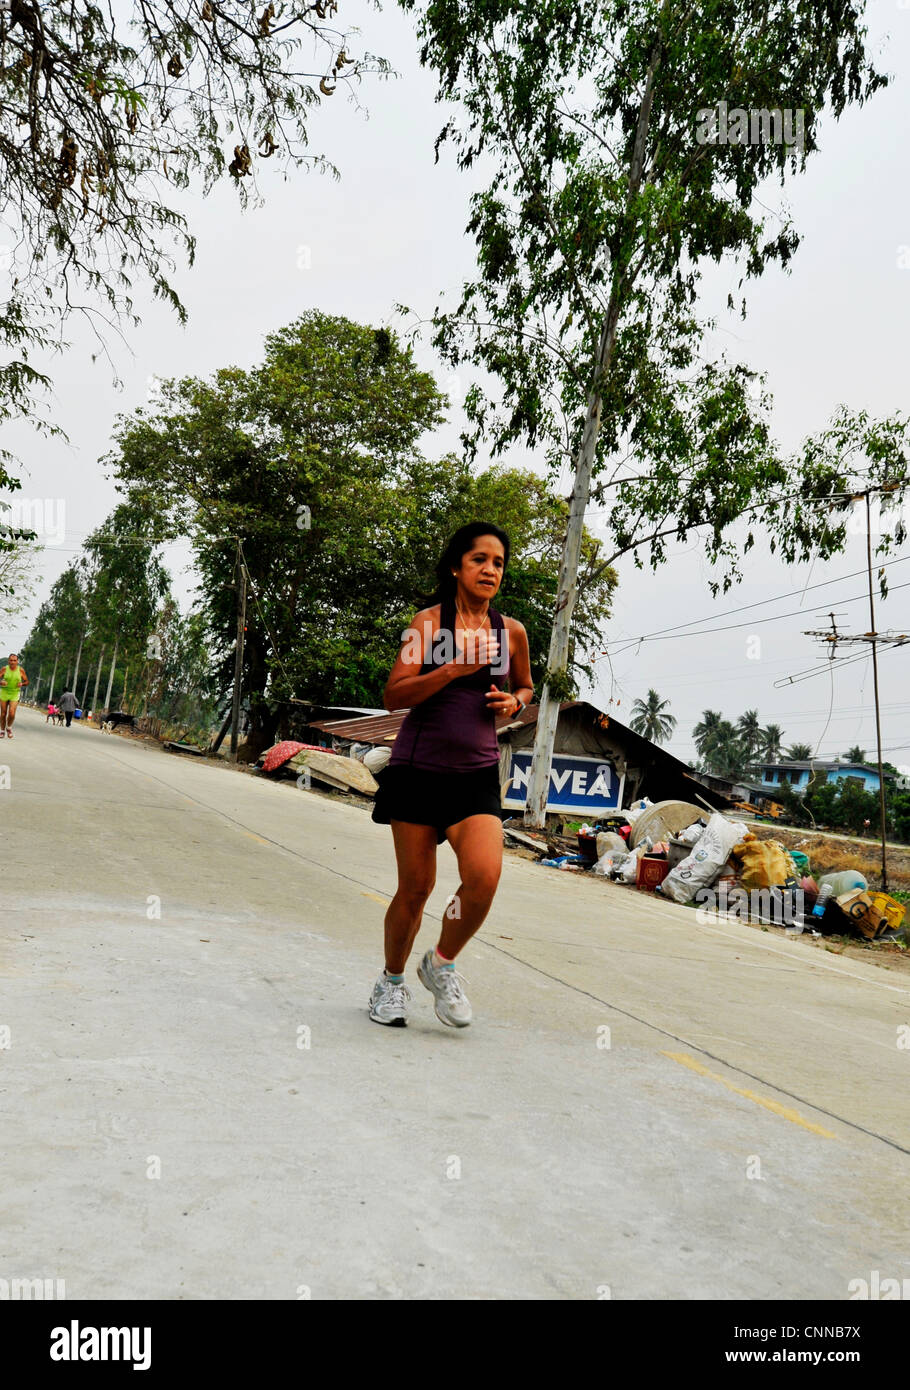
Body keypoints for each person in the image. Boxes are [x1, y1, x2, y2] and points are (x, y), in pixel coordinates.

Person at [369, 521, 534, 1028]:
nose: (489, 569)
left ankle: (439, 963)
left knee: (483, 877)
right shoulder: (427, 625)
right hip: (418, 772)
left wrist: (514, 702)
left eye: (498, 562)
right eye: (479, 559)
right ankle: (391, 983)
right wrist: (454, 668)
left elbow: (526, 690)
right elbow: (394, 695)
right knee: (416, 888)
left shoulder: (511, 632)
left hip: (475, 776)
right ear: (456, 567)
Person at [0, 653, 28, 737]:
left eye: (14, 660)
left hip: (15, 693)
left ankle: (8, 728)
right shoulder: (4, 669)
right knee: (3, 713)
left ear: (17, 662)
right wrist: (1, 682)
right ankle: (2, 731)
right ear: (8, 661)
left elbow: (27, 681)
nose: (12, 662)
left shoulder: (21, 670)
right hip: (4, 692)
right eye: (11, 660)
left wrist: (22, 684)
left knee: (12, 713)